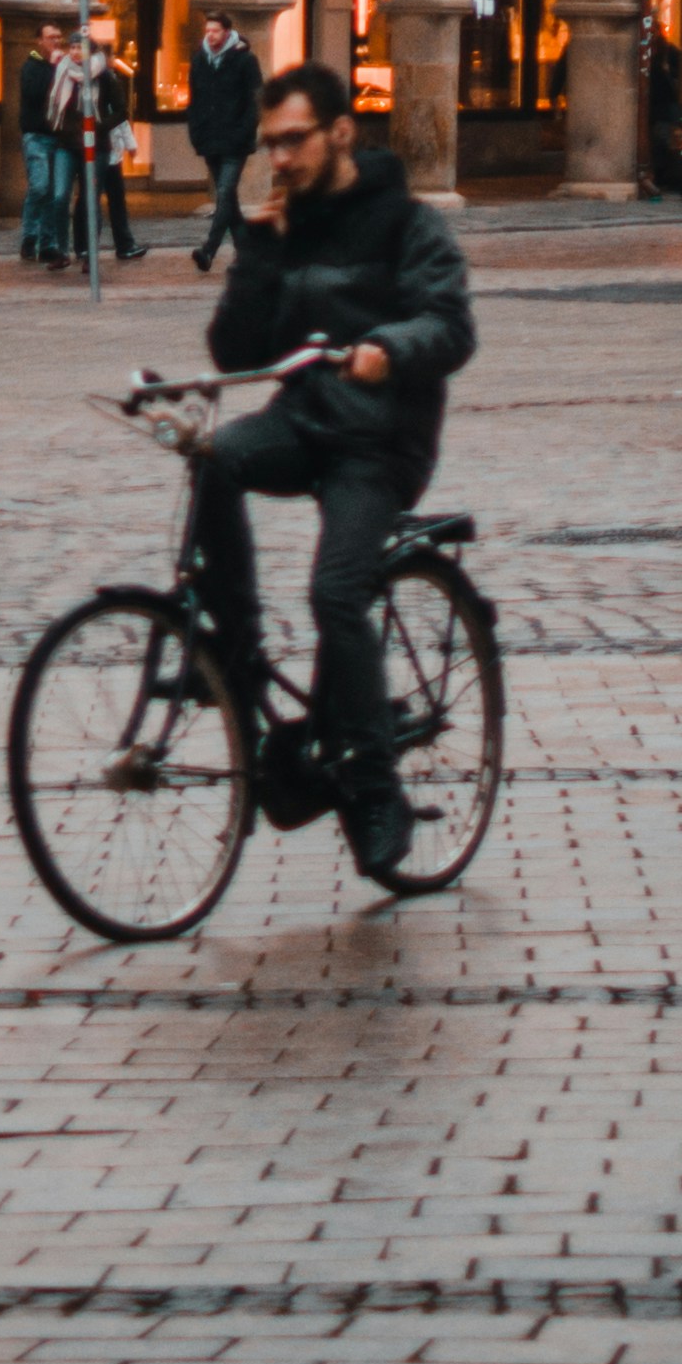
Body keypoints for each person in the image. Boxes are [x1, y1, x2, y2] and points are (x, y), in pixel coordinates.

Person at [201, 56, 477, 877]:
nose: (278, 159)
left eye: (294, 142)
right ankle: (234, 650)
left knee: (335, 591)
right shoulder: (287, 225)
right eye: (269, 144)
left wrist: (387, 351)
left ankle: (374, 787)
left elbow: (451, 326)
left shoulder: (408, 224)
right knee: (214, 457)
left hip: (380, 443)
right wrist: (259, 251)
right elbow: (233, 352)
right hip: (303, 421)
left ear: (341, 132)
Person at [186, 9, 262, 269]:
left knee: (225, 192)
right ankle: (249, 253)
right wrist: (196, 131)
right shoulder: (200, 60)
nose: (210, 35)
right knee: (228, 200)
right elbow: (194, 99)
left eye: (215, 30)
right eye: (207, 30)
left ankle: (209, 250)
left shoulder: (245, 61)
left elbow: (255, 102)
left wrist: (244, 130)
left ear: (227, 32)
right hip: (210, 139)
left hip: (235, 140)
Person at [85, 28, 139, 266]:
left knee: (110, 196)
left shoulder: (107, 78)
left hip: (106, 147)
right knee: (94, 198)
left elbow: (120, 113)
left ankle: (121, 244)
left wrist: (102, 127)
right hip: (95, 147)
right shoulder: (78, 76)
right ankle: (92, 247)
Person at [16, 27, 63, 266]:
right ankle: (29, 236)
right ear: (39, 41)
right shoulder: (31, 67)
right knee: (40, 186)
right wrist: (54, 70)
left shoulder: (62, 66)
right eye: (50, 38)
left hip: (57, 137)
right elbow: (34, 94)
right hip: (35, 136)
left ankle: (48, 243)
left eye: (58, 37)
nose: (55, 41)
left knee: (53, 193)